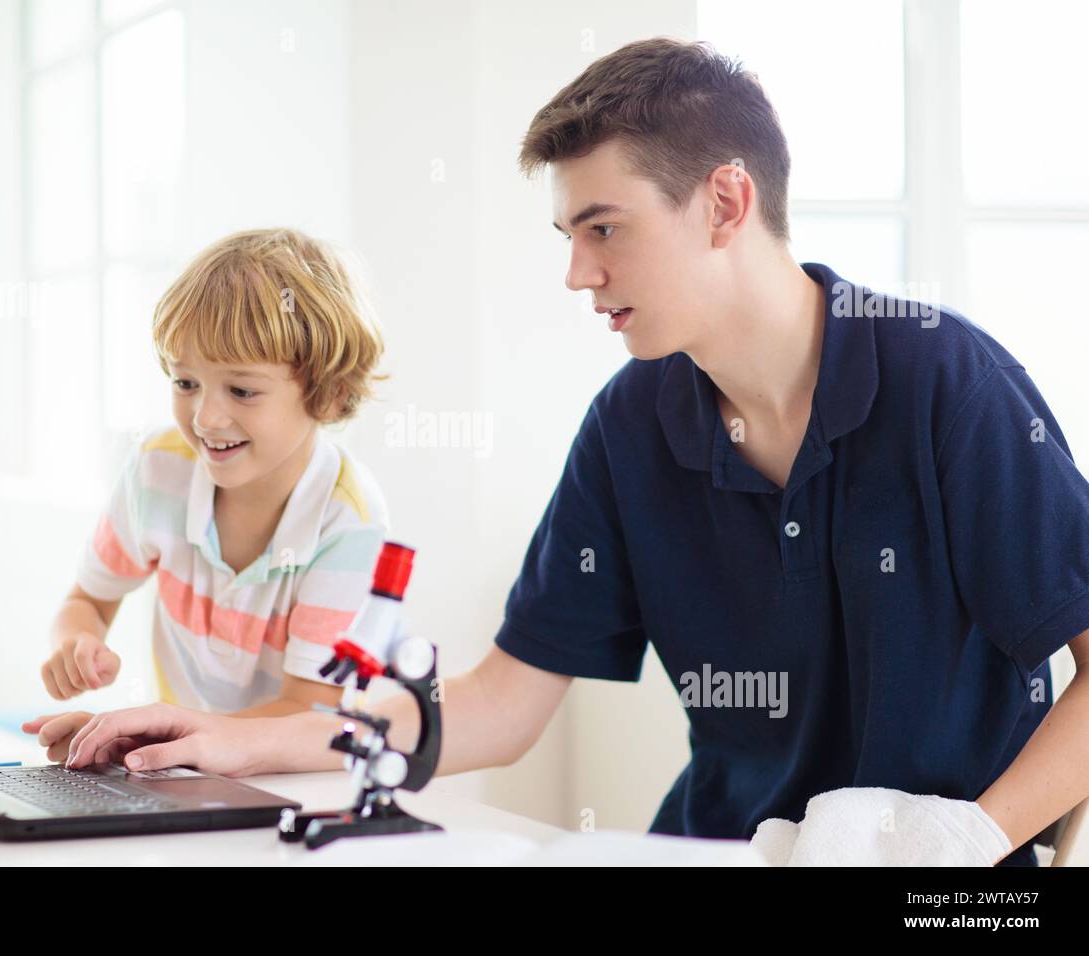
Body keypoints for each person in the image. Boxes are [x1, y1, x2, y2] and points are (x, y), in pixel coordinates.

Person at [61, 38, 1089, 867]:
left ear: (726, 203)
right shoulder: (632, 423)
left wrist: (977, 834)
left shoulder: (942, 382)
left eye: (603, 229)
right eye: (567, 233)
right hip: (719, 850)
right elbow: (501, 704)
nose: (575, 273)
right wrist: (222, 738)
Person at [22, 228, 391, 763]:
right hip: (182, 769)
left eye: (242, 390)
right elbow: (86, 601)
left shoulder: (347, 522)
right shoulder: (159, 469)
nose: (205, 418)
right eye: (185, 382)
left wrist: (149, 734)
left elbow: (309, 710)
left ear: (329, 395)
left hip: (298, 783)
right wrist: (74, 643)